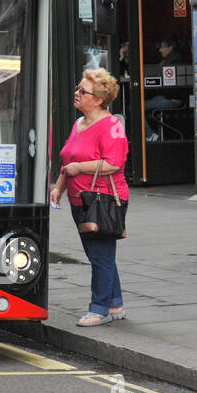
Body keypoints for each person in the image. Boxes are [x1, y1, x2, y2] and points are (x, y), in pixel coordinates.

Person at [50, 68, 130, 327]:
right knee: (101, 253)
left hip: (103, 200)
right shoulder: (79, 124)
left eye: (82, 91)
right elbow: (69, 159)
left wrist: (79, 169)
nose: (76, 93)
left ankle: (99, 309)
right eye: (78, 88)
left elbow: (114, 164)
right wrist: (59, 187)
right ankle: (115, 303)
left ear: (98, 99)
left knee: (100, 255)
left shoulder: (111, 126)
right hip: (80, 200)